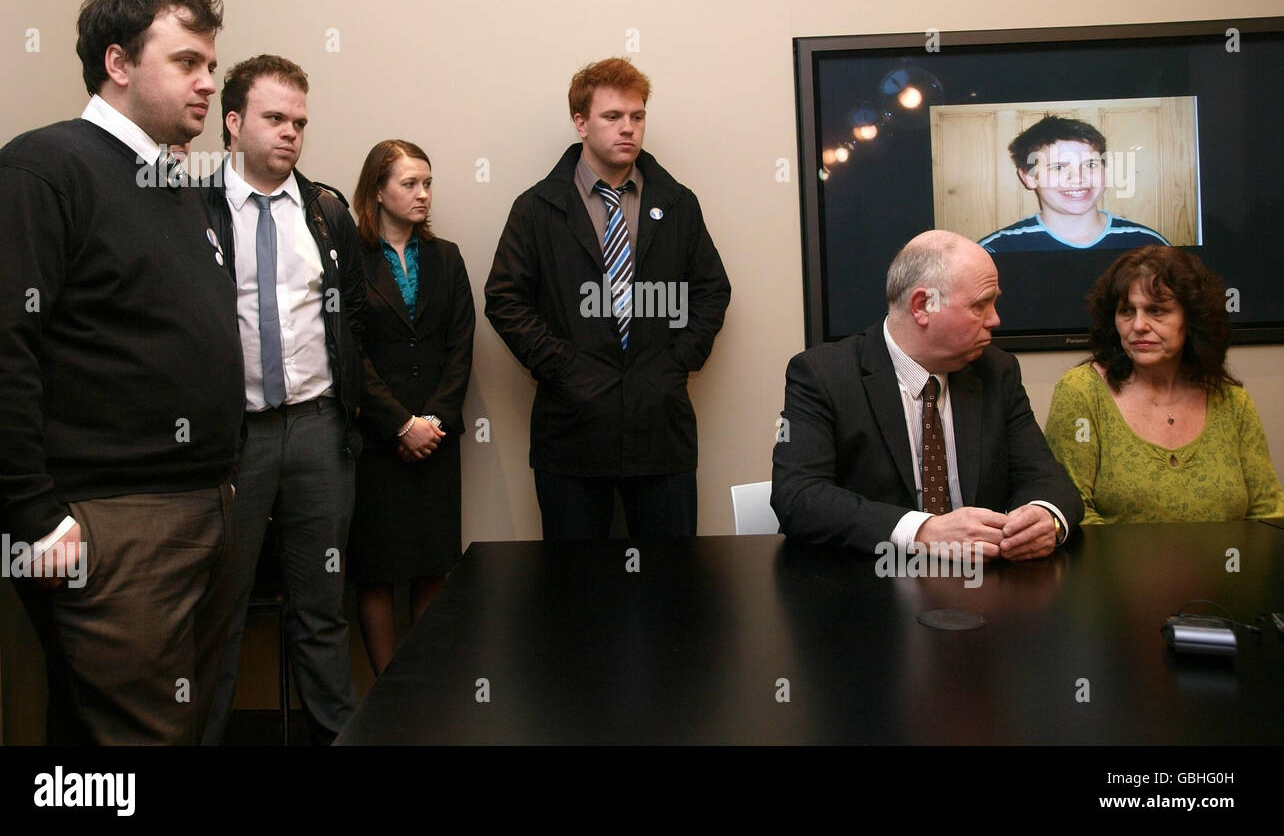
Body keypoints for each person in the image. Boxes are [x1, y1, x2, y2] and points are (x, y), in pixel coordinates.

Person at [0, 0, 244, 743]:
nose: (207, 83)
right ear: (118, 63)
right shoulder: (43, 167)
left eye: (211, 65)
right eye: (188, 62)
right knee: (144, 739)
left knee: (131, 735)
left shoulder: (176, 183)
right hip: (115, 519)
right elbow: (6, 347)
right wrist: (31, 512)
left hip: (206, 501)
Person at [201, 54, 373, 744]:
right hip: (231, 440)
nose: (290, 133)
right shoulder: (192, 208)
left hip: (318, 432)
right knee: (220, 609)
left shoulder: (326, 210)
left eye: (299, 121)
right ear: (234, 122)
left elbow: (352, 310)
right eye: (274, 118)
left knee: (321, 605)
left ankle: (336, 736)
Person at [484, 57, 730, 539]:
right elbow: (505, 298)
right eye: (612, 117)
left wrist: (677, 361)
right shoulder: (538, 208)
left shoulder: (677, 203)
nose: (628, 129)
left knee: (669, 585)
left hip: (660, 430)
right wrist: (562, 367)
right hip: (571, 431)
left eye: (637, 117)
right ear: (580, 123)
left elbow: (711, 290)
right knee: (576, 591)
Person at [771, 230, 1083, 559]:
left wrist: (1046, 516)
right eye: (980, 305)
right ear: (922, 306)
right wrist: (922, 531)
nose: (995, 319)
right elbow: (798, 497)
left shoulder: (997, 371)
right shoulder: (824, 375)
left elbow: (1047, 478)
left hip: (982, 588)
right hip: (867, 586)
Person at [347, 140, 474, 673]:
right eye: (409, 184)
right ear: (378, 190)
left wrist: (434, 421)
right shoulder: (350, 256)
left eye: (427, 183)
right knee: (377, 572)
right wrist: (399, 424)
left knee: (432, 567)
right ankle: (386, 692)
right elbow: (348, 349)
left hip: (437, 441)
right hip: (377, 441)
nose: (423, 194)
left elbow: (461, 345)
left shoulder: (445, 257)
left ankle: (423, 686)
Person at [1044, 246, 1283, 523]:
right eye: (1126, 311)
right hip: (1115, 566)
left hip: (1223, 565)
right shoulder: (1082, 392)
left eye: (1156, 310)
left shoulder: (1231, 400)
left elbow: (1269, 511)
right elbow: (1073, 510)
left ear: (1191, 319)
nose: (1139, 325)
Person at [978, 115, 1169, 252]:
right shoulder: (996, 249)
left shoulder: (1149, 244)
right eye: (1059, 167)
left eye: (1090, 164)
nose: (1078, 178)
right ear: (1029, 177)